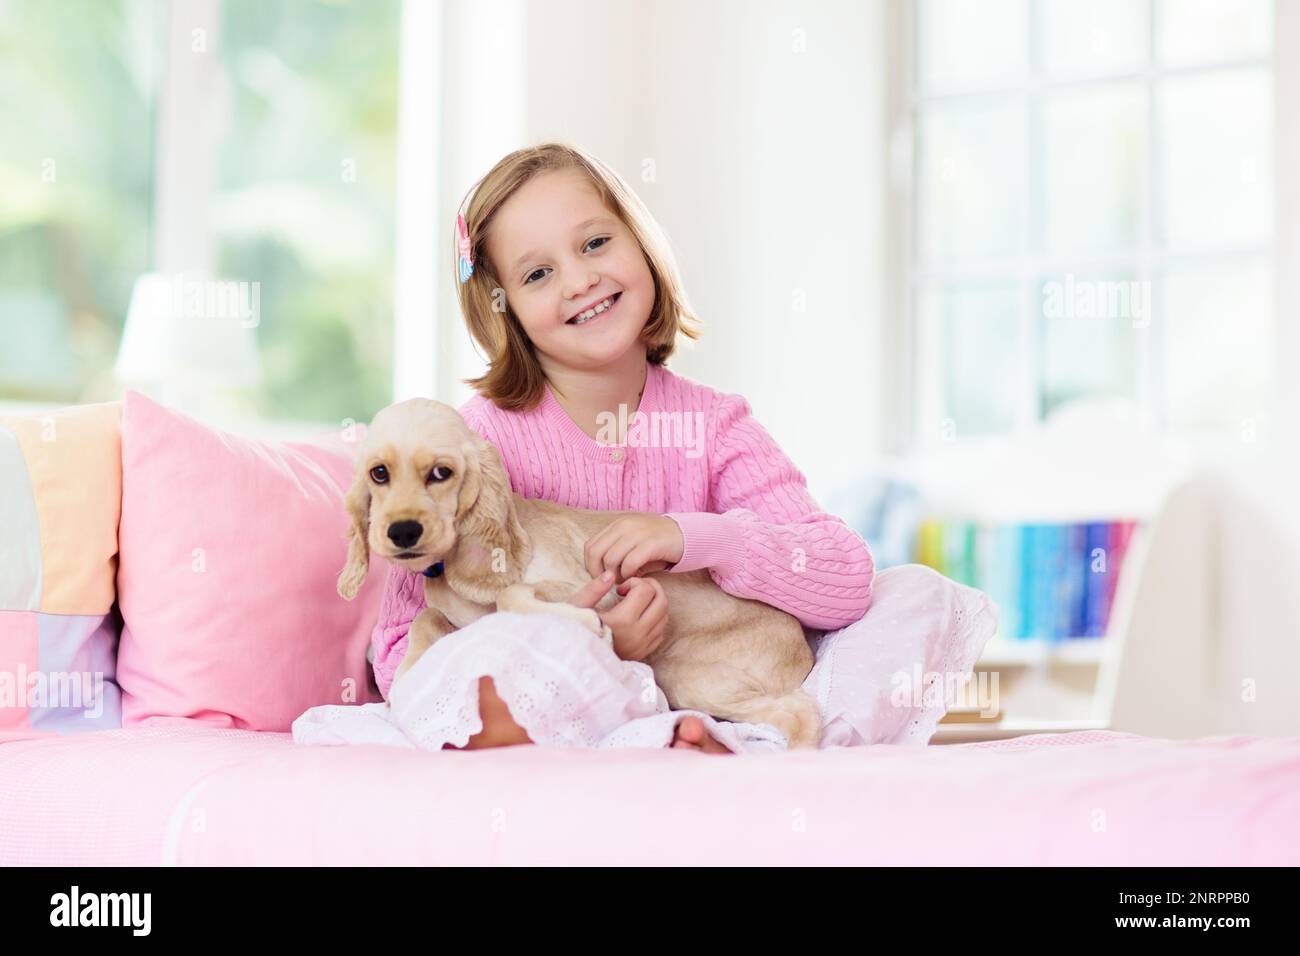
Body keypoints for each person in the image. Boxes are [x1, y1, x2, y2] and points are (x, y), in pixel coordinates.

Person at [371, 143, 874, 753]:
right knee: (444, 682)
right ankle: (691, 742)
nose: (580, 280)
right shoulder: (472, 444)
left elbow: (845, 580)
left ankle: (736, 735)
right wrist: (594, 648)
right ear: (503, 309)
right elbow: (400, 648)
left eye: (594, 243)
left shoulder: (715, 425)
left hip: (725, 665)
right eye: (537, 274)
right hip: (559, 701)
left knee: (917, 597)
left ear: (640, 241)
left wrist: (693, 536)